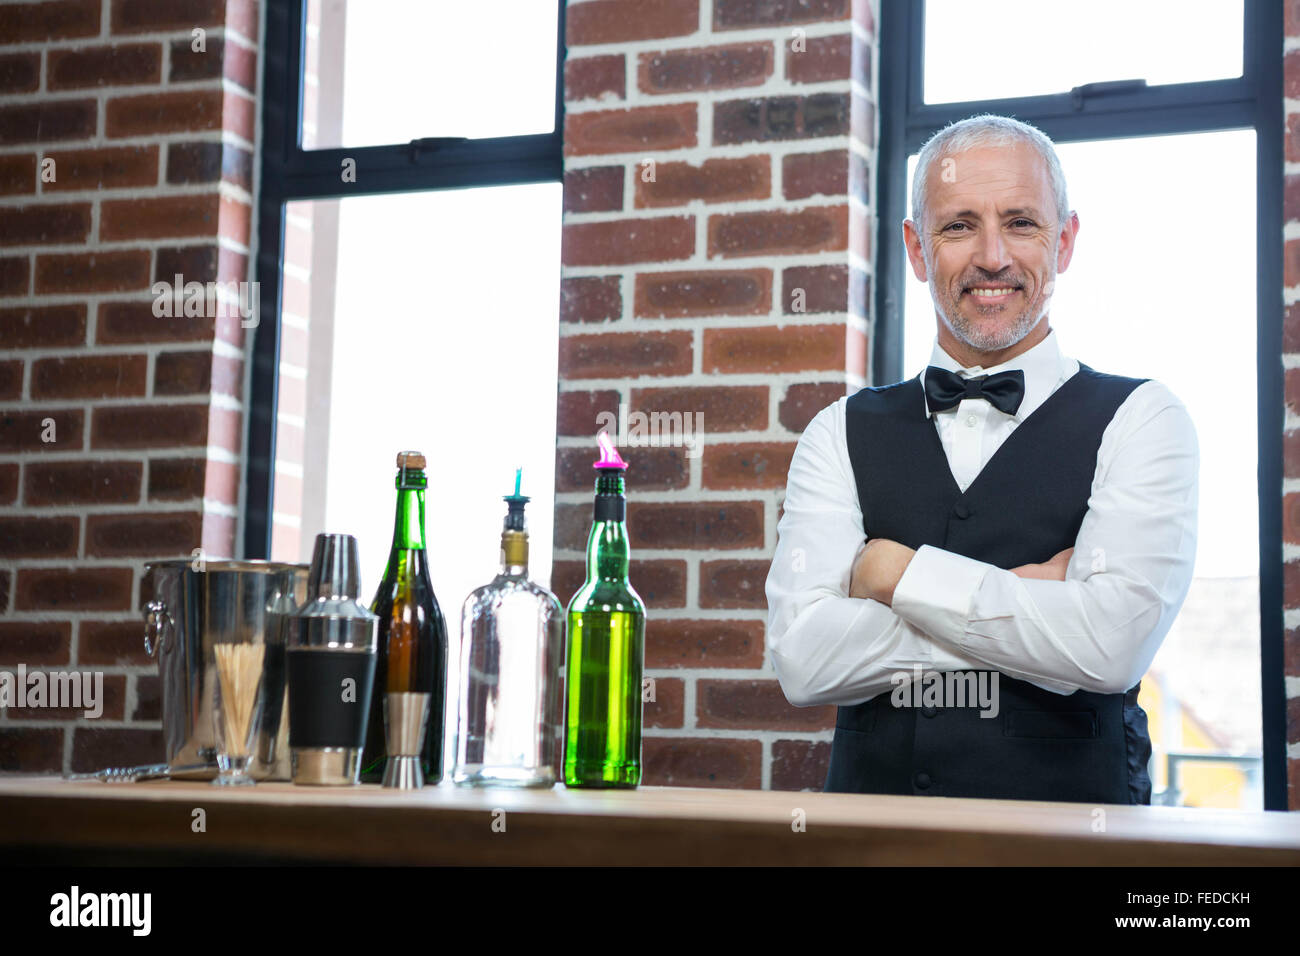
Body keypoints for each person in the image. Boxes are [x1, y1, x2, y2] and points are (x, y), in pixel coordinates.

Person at [764, 114, 1199, 804]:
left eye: (1021, 222)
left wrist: (894, 573)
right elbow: (803, 660)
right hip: (871, 852)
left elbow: (1111, 648)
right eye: (959, 225)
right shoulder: (837, 431)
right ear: (915, 248)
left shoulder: (1145, 419)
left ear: (1065, 242)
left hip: (1072, 858)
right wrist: (1032, 607)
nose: (992, 256)